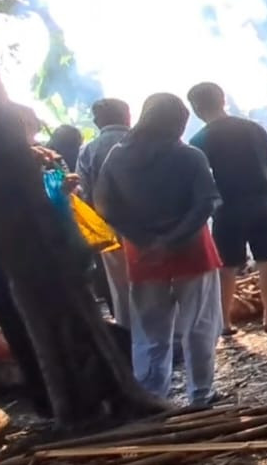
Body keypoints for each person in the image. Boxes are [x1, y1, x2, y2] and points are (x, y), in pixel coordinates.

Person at [94, 93, 223, 407]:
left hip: (143, 254)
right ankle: (201, 393)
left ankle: (153, 393)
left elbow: (104, 205)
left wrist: (143, 239)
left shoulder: (118, 156)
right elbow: (206, 201)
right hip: (192, 250)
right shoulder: (189, 156)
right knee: (199, 326)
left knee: (151, 331)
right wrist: (173, 239)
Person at [187, 83, 267, 333]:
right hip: (263, 201)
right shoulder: (254, 129)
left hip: (228, 207)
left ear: (196, 108)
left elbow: (199, 181)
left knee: (227, 265)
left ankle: (225, 321)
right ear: (223, 99)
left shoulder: (199, 140)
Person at [77, 98, 133, 320]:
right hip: (153, 223)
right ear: (127, 115)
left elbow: (83, 191)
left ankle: (130, 334)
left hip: (109, 226)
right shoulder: (144, 141)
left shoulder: (89, 150)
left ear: (98, 121)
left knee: (121, 286)